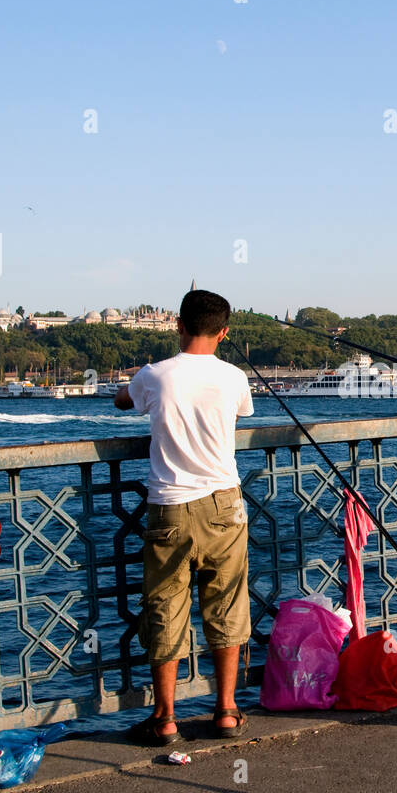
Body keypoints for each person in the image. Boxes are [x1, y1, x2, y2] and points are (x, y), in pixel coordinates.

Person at [115, 289, 254, 742]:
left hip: (170, 506)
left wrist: (133, 388)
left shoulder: (154, 376)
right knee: (227, 604)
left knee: (165, 606)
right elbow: (237, 411)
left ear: (178, 325)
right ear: (224, 332)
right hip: (224, 505)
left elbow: (124, 401)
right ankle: (227, 711)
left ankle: (166, 718)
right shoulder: (234, 377)